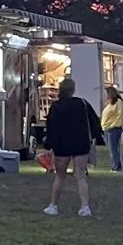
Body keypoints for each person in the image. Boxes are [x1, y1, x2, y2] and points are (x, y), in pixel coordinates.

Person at [41, 77, 104, 217]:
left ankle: (53, 206)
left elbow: (52, 128)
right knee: (80, 176)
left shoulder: (56, 107)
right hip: (81, 144)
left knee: (60, 176)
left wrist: (48, 146)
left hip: (62, 145)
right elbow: (94, 122)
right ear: (73, 90)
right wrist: (93, 137)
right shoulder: (82, 103)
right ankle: (84, 207)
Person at [101, 86, 123, 171]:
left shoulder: (118, 102)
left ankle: (116, 166)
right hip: (107, 128)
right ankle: (116, 165)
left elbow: (119, 115)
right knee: (112, 148)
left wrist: (114, 125)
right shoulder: (109, 103)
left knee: (113, 148)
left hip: (113, 128)